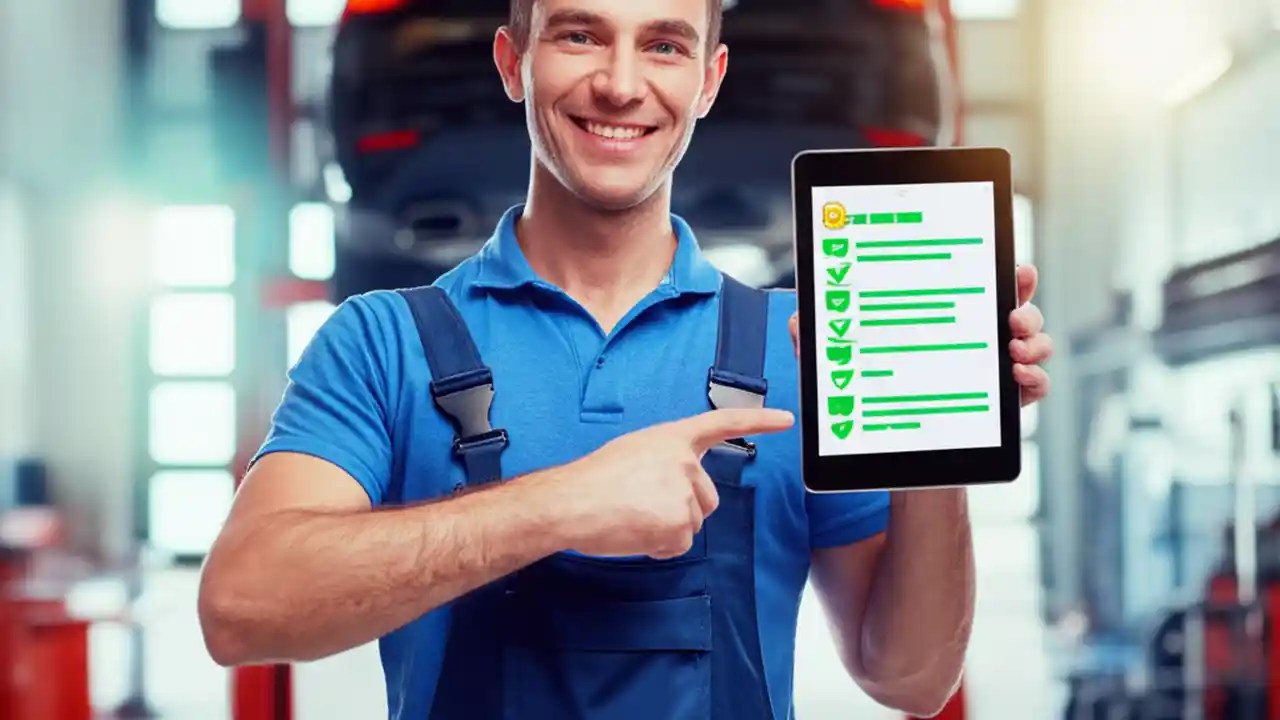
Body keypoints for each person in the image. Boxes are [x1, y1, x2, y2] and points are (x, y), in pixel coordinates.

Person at [197, 1, 1055, 718]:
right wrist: (564, 506)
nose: (620, 82)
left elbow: (910, 676)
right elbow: (241, 611)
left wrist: (944, 435)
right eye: (579, 35)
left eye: (664, 45)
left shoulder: (806, 344)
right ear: (513, 61)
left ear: (709, 79)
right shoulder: (382, 341)